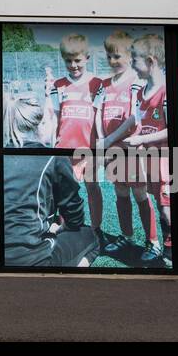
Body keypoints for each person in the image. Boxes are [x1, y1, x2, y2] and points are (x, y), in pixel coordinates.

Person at [96, 30, 146, 256]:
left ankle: (153, 242)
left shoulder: (137, 82)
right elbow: (97, 113)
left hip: (131, 150)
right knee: (120, 193)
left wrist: (108, 140)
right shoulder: (104, 85)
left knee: (140, 195)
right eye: (109, 56)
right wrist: (101, 140)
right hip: (111, 150)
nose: (112, 61)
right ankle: (127, 236)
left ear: (130, 56)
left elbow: (134, 118)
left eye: (117, 56)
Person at [48, 33, 104, 232]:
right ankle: (66, 227)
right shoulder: (58, 85)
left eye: (77, 60)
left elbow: (99, 118)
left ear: (87, 57)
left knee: (92, 187)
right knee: (65, 190)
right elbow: (55, 116)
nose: (73, 65)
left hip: (88, 148)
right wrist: (53, 143)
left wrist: (100, 145)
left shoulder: (98, 84)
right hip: (64, 148)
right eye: (68, 61)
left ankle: (96, 230)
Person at [3, 153, 99, 267]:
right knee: (91, 236)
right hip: (32, 261)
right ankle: (63, 282)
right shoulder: (53, 157)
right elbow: (75, 219)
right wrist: (60, 229)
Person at [126, 34, 170, 264]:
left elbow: (174, 131)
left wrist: (143, 139)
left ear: (151, 61)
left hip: (166, 161)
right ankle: (166, 250)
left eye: (135, 59)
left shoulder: (165, 91)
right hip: (150, 159)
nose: (132, 63)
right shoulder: (142, 91)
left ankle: (176, 253)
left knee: (167, 210)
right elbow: (140, 124)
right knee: (161, 207)